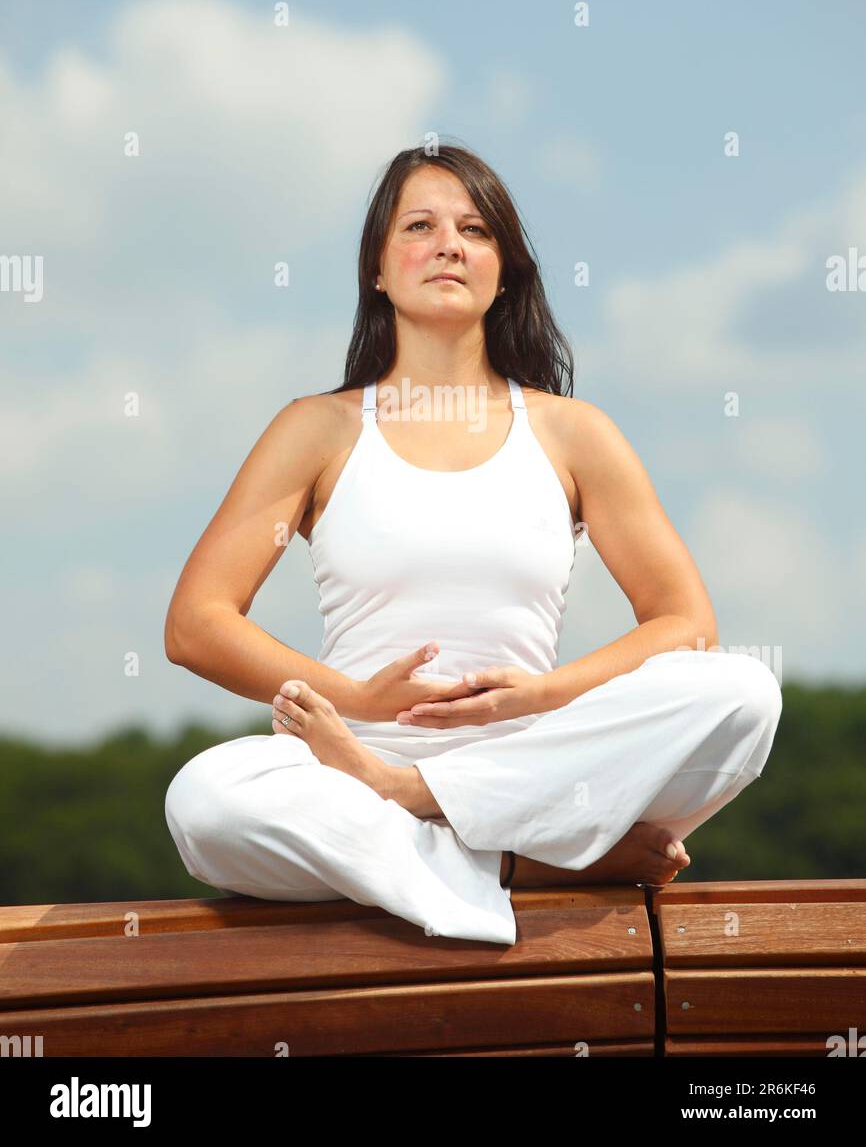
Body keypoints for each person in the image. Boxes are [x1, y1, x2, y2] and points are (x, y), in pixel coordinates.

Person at [163, 142, 782, 946]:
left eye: (476, 229)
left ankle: (427, 804)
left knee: (743, 694)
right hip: (351, 763)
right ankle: (521, 863)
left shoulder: (572, 433)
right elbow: (196, 623)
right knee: (207, 800)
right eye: (419, 225)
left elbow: (685, 624)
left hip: (547, 762)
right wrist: (350, 704)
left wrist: (545, 695)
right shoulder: (318, 429)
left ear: (504, 270)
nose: (450, 243)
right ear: (378, 271)